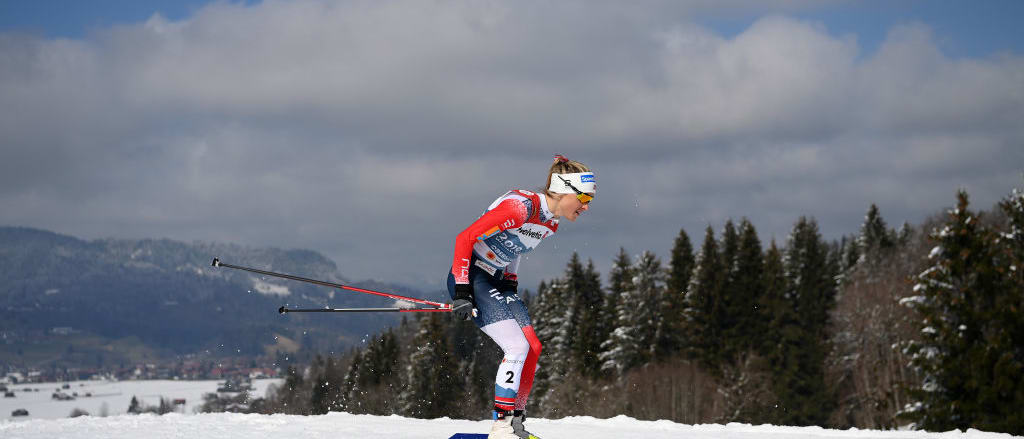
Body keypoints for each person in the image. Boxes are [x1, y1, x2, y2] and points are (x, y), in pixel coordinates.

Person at [447, 155, 595, 439]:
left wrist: (511, 282)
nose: (586, 206)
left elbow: (515, 249)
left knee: (532, 347)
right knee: (516, 347)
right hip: (472, 275)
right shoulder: (520, 207)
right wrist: (463, 290)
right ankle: (500, 425)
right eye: (583, 198)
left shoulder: (550, 223)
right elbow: (464, 239)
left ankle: (515, 423)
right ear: (564, 191)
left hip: (497, 280)